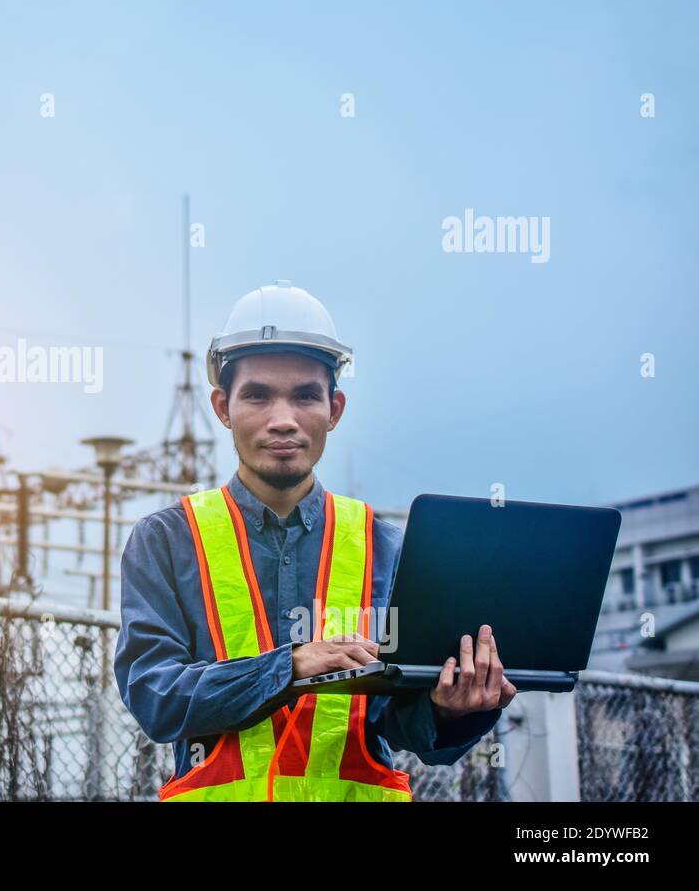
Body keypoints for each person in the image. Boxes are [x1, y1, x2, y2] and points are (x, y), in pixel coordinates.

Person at [113, 280, 517, 801]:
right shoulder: (166, 540)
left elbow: (401, 722)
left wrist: (456, 708)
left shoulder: (386, 548)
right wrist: (291, 665)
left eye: (305, 395)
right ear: (222, 407)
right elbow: (154, 695)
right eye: (257, 395)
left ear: (335, 409)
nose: (283, 420)